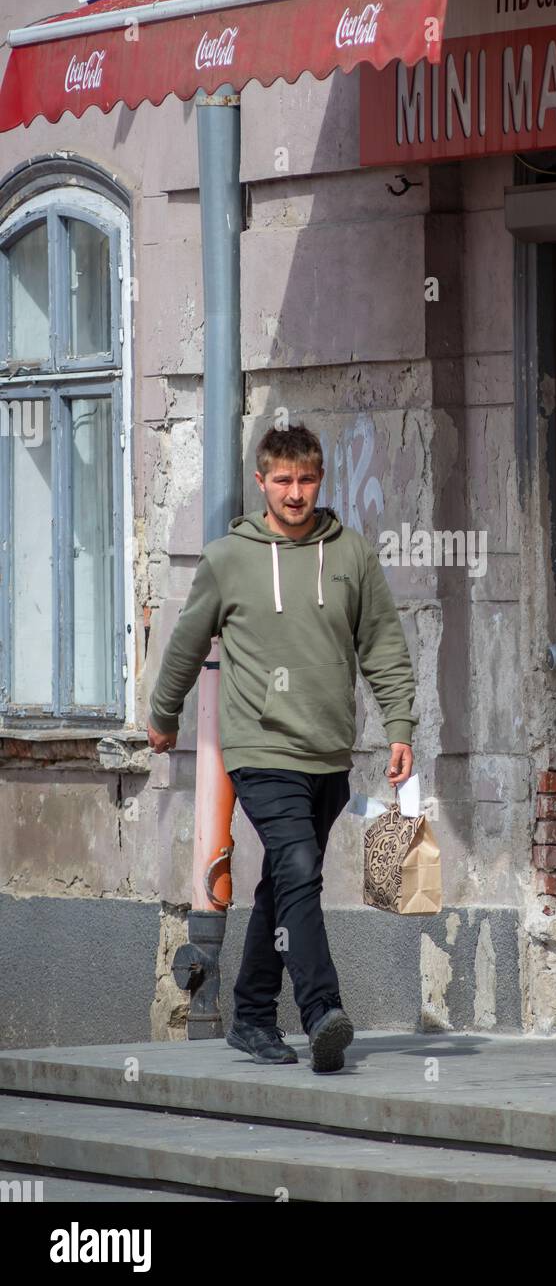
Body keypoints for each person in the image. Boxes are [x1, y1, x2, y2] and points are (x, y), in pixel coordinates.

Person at [147, 422, 418, 1074]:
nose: (295, 493)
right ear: (264, 482)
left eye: (305, 480)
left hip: (328, 751)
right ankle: (323, 1008)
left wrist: (400, 726)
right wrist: (163, 716)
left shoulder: (350, 556)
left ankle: (252, 1016)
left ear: (319, 481)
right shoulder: (229, 559)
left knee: (281, 884)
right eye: (283, 480)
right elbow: (186, 643)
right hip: (259, 747)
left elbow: (382, 642)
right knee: (297, 866)